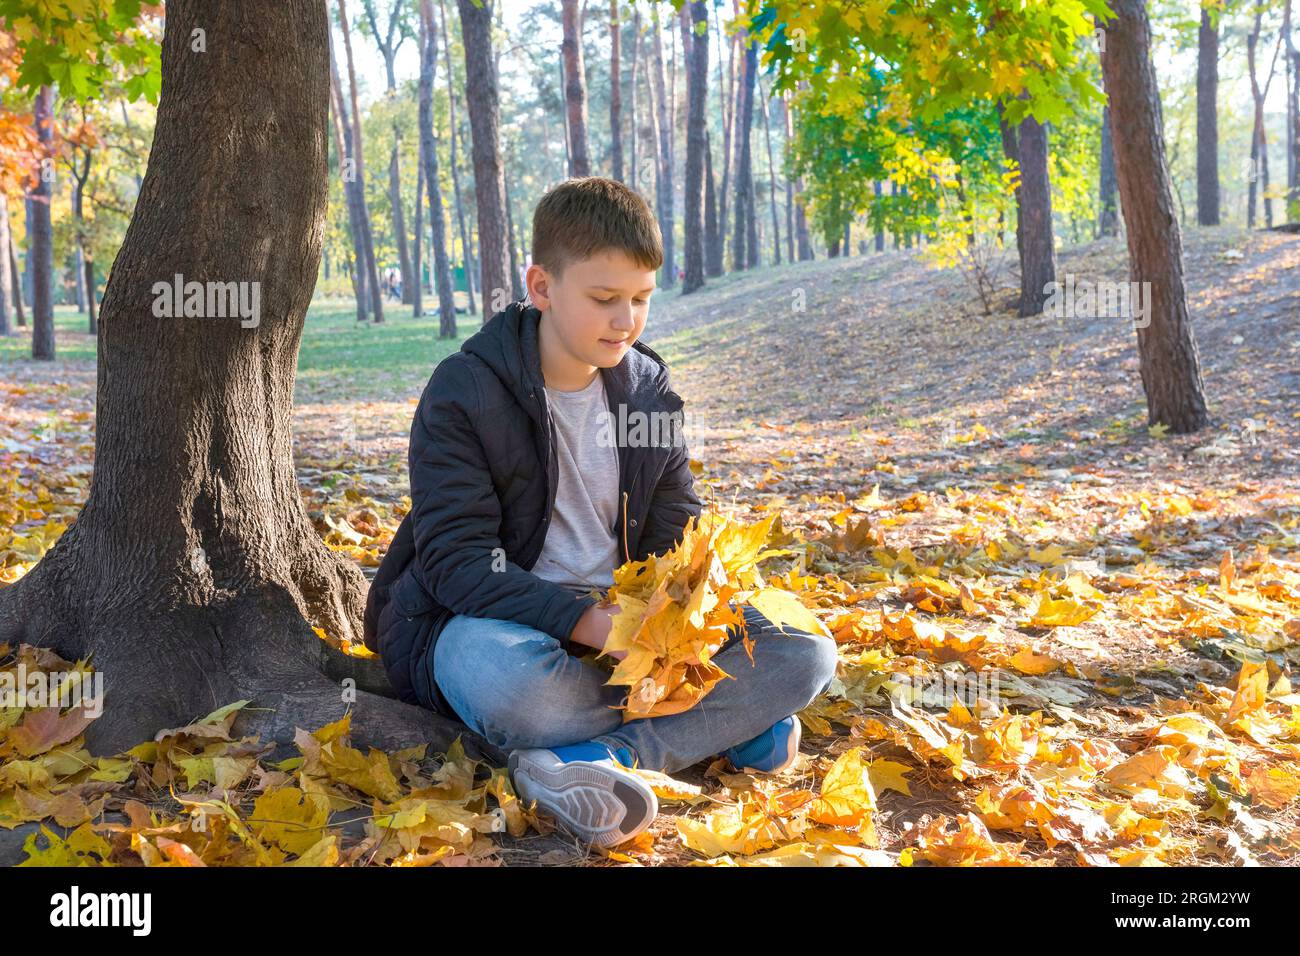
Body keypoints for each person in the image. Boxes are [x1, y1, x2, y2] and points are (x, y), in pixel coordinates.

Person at [364, 177, 837, 848]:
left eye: (642, 299)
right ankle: (726, 724)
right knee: (523, 697)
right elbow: (455, 561)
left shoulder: (645, 386)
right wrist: (588, 623)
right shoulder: (465, 390)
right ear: (542, 287)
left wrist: (686, 609)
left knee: (807, 652)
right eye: (605, 299)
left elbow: (677, 518)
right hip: (493, 623)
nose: (627, 321)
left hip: (629, 617)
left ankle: (595, 765)